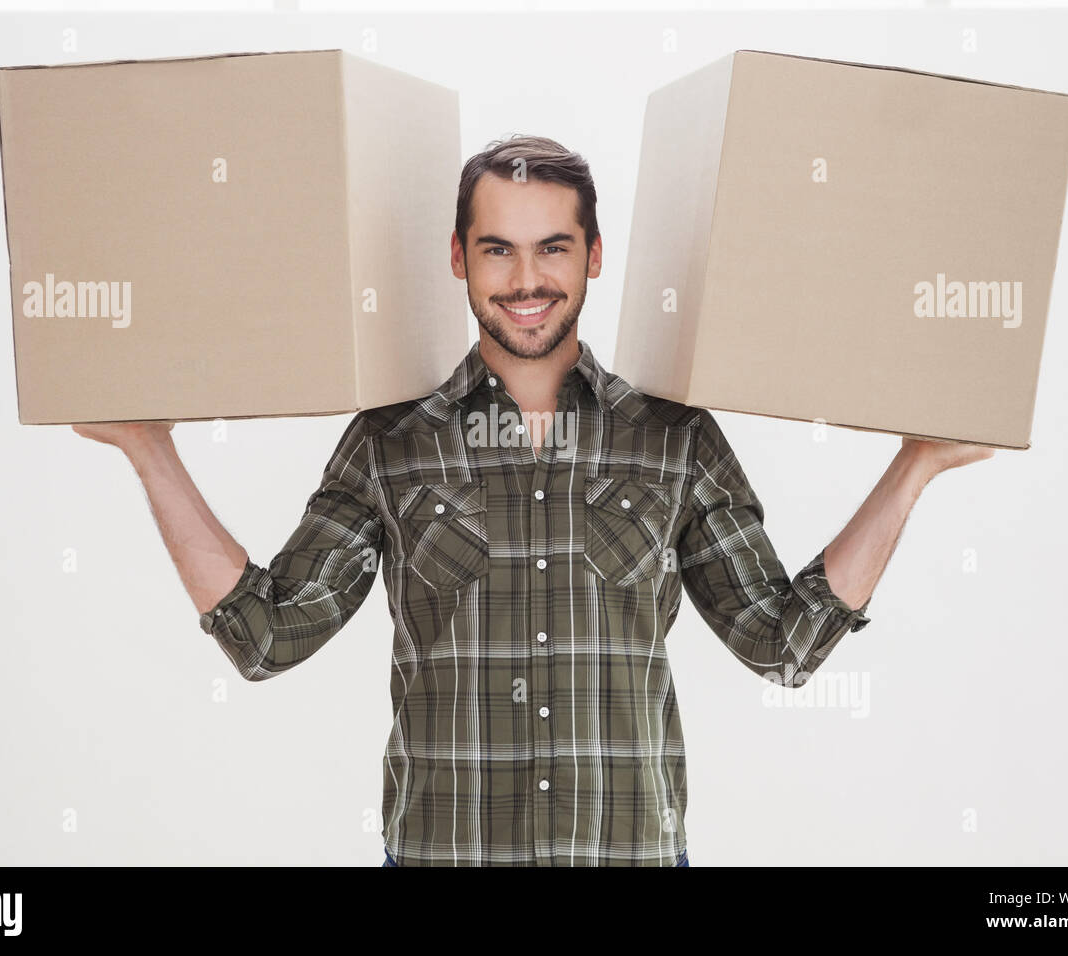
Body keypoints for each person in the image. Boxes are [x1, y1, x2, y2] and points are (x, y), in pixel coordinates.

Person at [73, 135, 993, 866]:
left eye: (553, 247)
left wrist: (915, 465)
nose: (526, 281)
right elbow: (266, 636)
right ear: (459, 260)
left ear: (593, 256)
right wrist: (149, 452)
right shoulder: (393, 443)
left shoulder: (671, 439)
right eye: (498, 250)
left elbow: (784, 644)